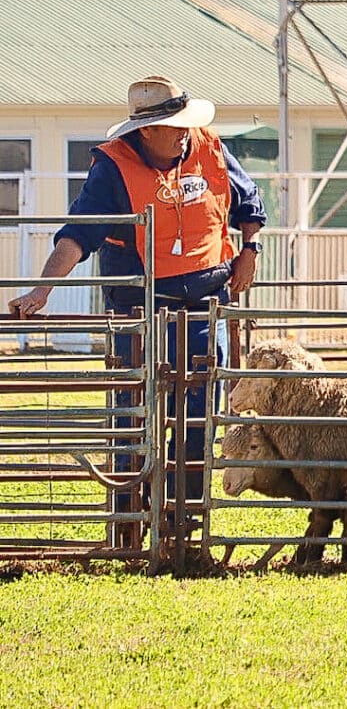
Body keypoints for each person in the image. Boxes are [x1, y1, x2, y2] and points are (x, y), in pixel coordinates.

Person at [8, 75, 267, 531]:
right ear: (144, 131)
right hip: (138, 305)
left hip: (205, 300)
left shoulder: (209, 148)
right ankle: (130, 520)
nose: (183, 132)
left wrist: (250, 250)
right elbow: (78, 233)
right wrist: (41, 288)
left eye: (185, 122)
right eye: (173, 125)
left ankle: (183, 521)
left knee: (197, 413)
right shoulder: (113, 167)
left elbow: (249, 203)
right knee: (134, 409)